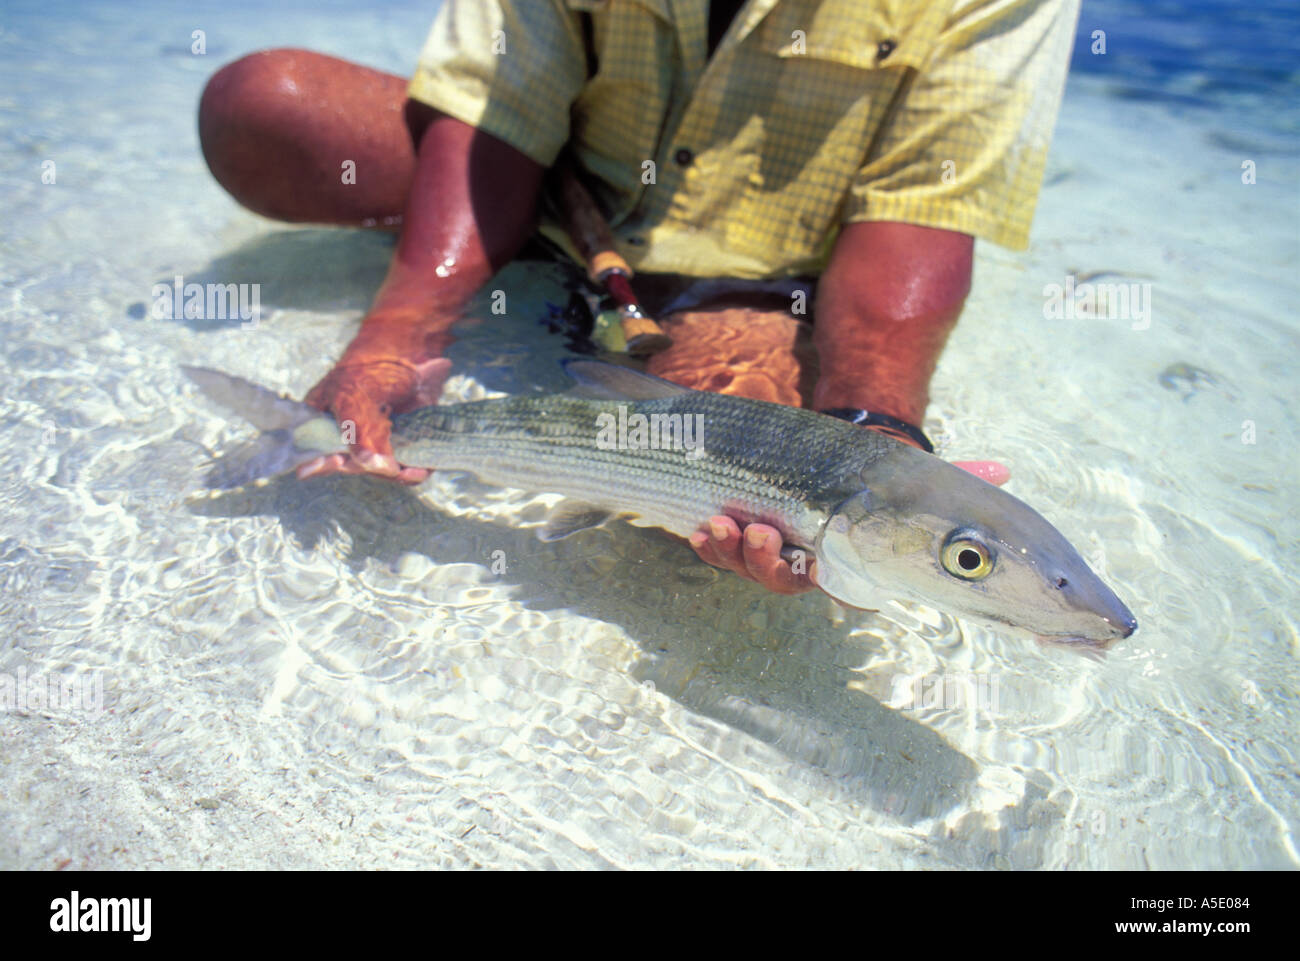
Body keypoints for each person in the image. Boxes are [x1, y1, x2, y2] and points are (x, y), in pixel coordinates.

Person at [197, 0, 1080, 596]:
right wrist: (391, 337)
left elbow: (923, 209)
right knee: (268, 106)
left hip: (758, 277)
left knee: (714, 516)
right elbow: (497, 108)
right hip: (563, 193)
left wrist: (874, 428)